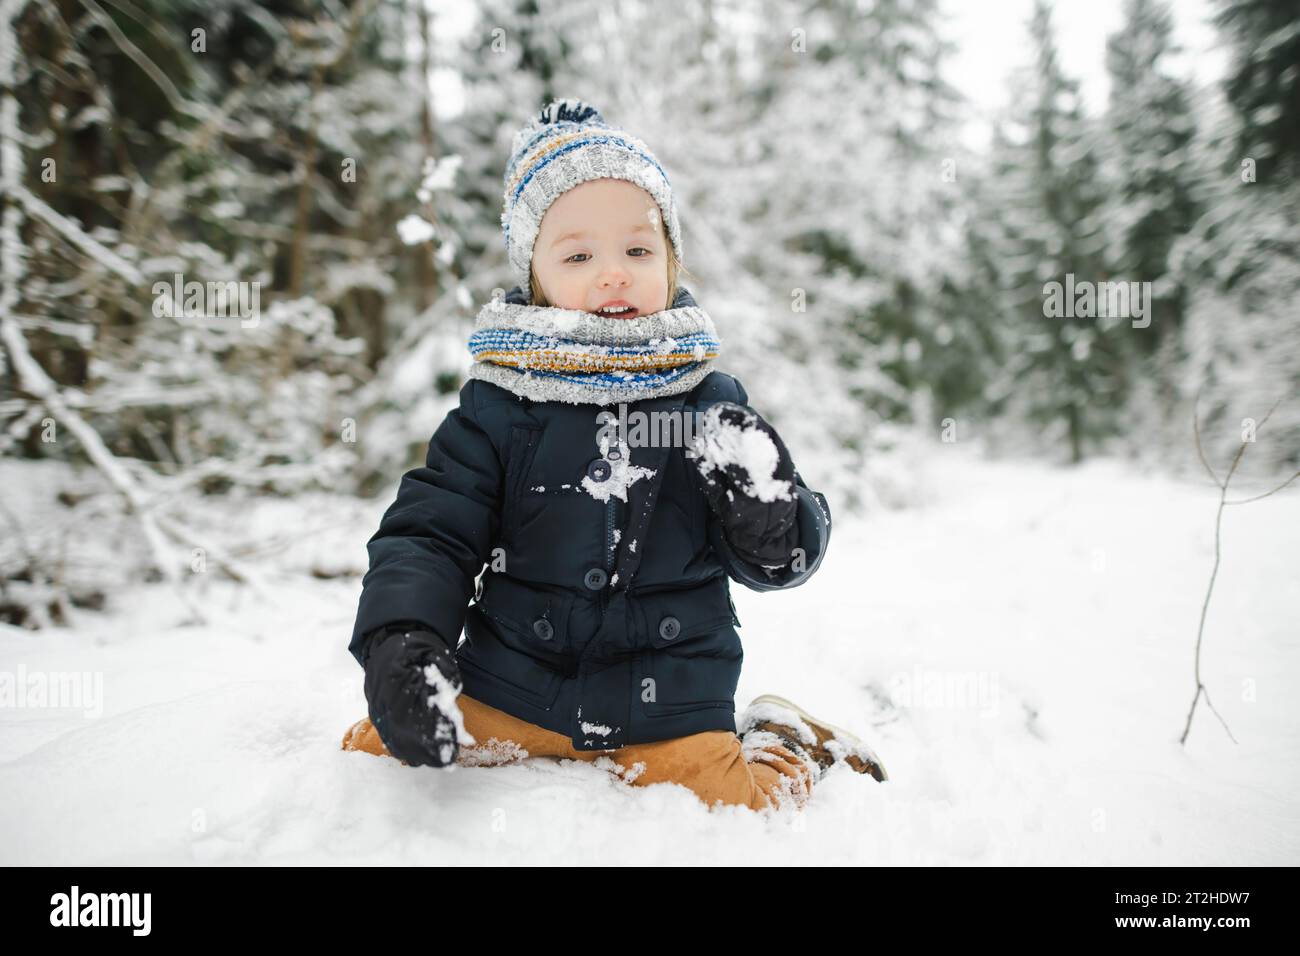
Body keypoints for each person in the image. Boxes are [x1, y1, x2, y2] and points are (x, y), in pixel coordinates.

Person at [341, 99, 886, 811]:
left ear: (671, 260)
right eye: (578, 255)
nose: (614, 275)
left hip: (668, 706)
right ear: (534, 276)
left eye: (637, 250)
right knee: (372, 752)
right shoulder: (498, 407)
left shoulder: (705, 405)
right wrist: (404, 642)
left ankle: (782, 735)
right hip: (512, 688)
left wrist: (768, 515)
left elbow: (780, 561)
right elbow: (431, 534)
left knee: (746, 807)